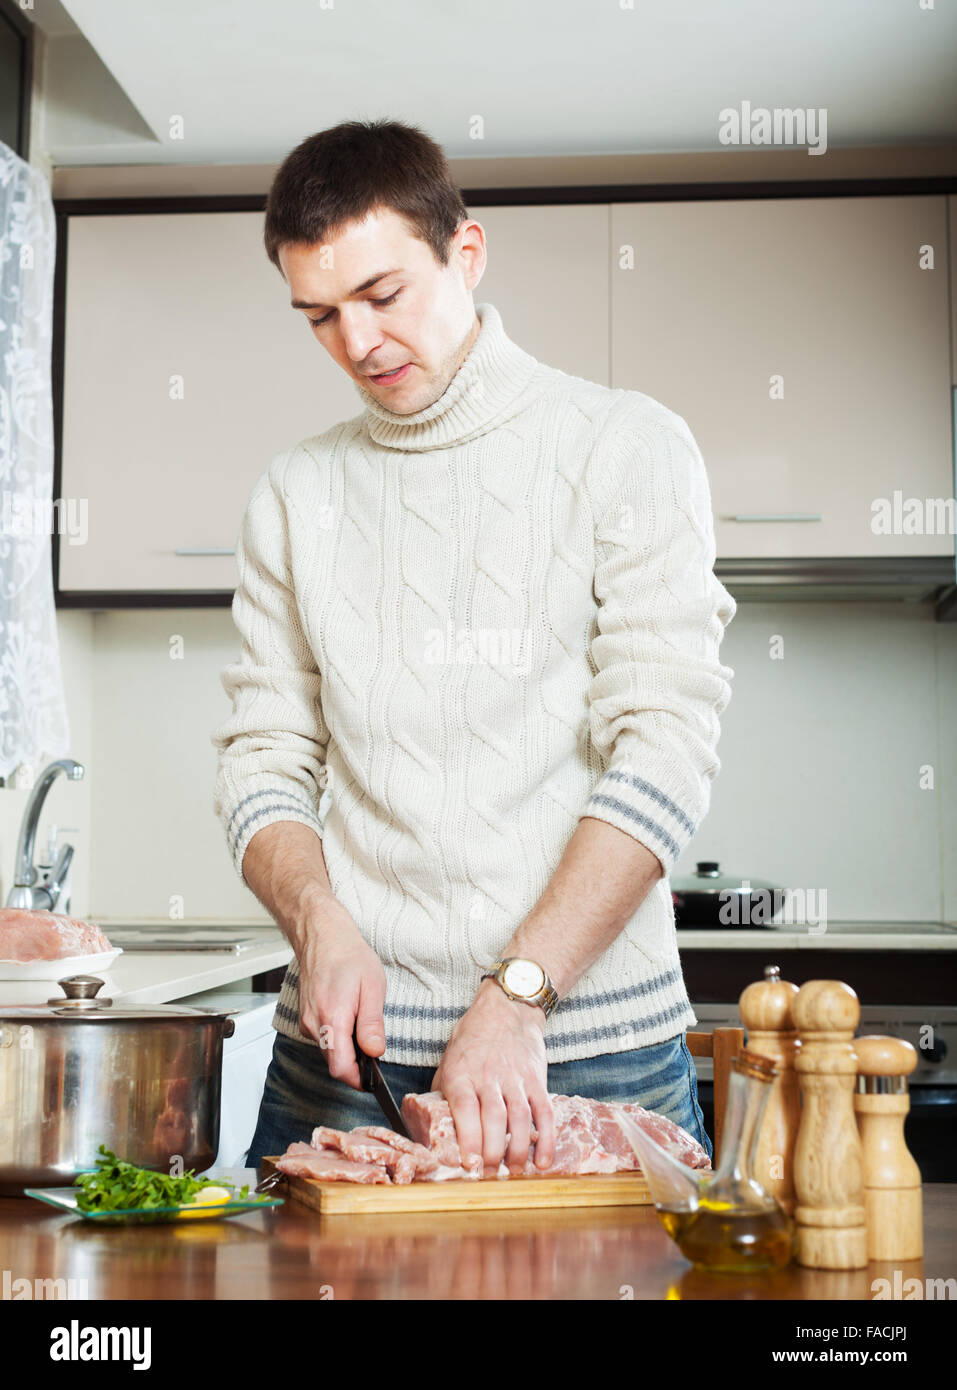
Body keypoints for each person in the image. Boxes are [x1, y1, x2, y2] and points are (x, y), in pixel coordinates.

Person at [212, 118, 736, 1175]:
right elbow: (260, 761)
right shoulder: (293, 494)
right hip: (345, 1059)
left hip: (588, 1052)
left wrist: (518, 992)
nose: (357, 342)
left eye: (383, 295)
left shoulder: (624, 445)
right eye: (318, 314)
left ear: (467, 252)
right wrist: (317, 919)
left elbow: (665, 749)